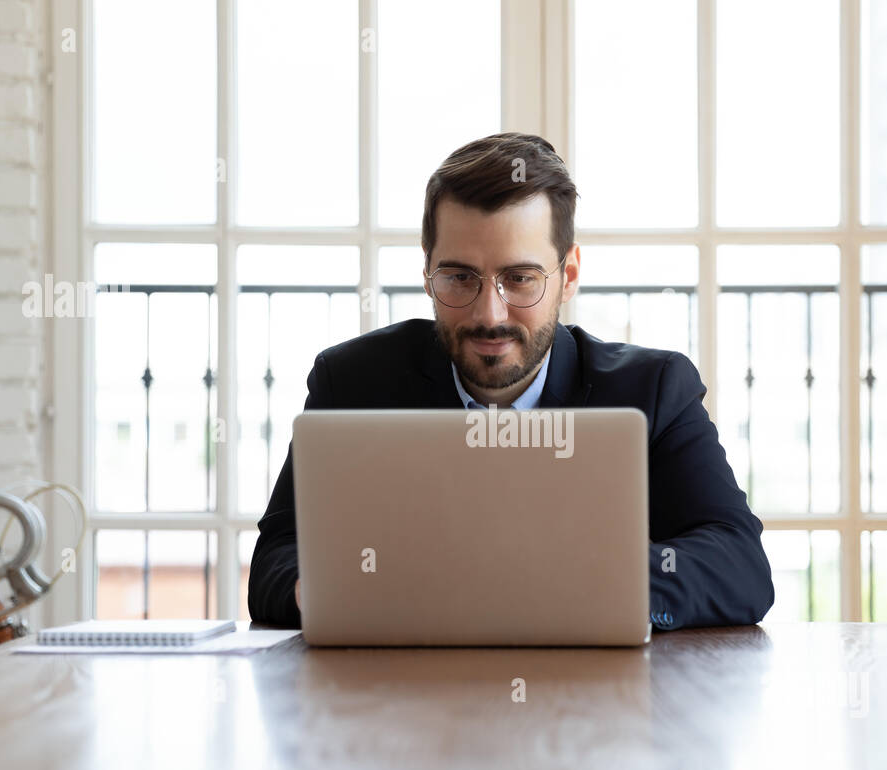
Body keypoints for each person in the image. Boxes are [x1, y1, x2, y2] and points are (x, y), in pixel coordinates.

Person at [248, 132, 774, 631]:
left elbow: (739, 564)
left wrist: (581, 582)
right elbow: (277, 556)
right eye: (459, 277)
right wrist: (332, 592)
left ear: (566, 276)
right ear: (427, 272)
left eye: (519, 278)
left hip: (593, 707)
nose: (488, 313)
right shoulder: (352, 383)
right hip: (404, 701)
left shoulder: (655, 389)